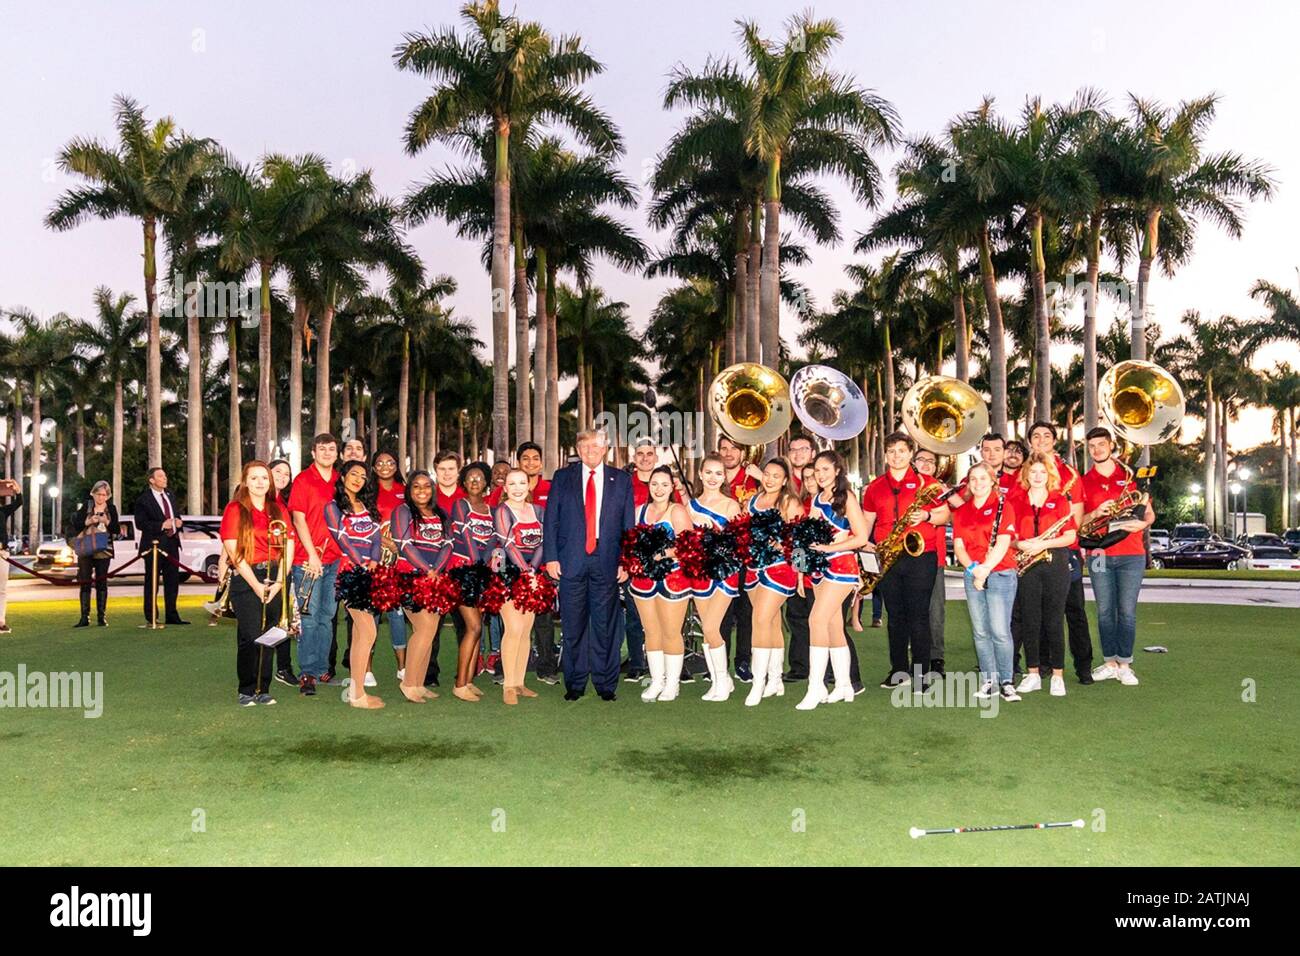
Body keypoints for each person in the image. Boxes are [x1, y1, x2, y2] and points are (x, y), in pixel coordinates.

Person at [542, 429, 635, 701]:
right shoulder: (562, 478)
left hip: (607, 562)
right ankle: (575, 682)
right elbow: (552, 521)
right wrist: (550, 557)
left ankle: (606, 684)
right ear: (578, 450)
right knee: (573, 625)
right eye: (583, 448)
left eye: (594, 447)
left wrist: (625, 561)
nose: (589, 452)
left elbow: (628, 525)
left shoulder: (622, 480)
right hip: (570, 561)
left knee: (605, 625)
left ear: (605, 449)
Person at [860, 432, 951, 690]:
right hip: (888, 557)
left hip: (921, 556)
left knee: (919, 616)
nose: (896, 456)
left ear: (911, 453)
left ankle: (921, 674)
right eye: (891, 451)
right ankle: (898, 671)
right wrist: (865, 545)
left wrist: (926, 515)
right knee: (896, 617)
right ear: (885, 455)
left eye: (901, 450)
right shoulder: (875, 487)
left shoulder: (929, 484)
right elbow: (867, 521)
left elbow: (945, 515)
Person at [799, 450, 873, 710]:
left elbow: (862, 537)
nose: (820, 475)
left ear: (837, 471)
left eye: (825, 470)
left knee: (816, 620)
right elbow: (809, 535)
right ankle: (844, 685)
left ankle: (816, 686)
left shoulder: (847, 497)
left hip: (841, 567)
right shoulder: (818, 498)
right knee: (832, 625)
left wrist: (829, 549)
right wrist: (803, 563)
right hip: (820, 568)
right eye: (817, 470)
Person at [1081, 427, 1153, 686]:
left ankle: (1125, 664)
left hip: (1131, 554)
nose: (1097, 449)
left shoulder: (1130, 477)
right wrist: (1097, 513)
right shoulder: (1084, 481)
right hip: (1099, 553)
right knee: (1104, 611)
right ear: (1088, 449)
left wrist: (1140, 525)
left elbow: (1148, 514)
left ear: (1111, 445)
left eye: (1102, 444)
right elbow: (1079, 521)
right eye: (1092, 446)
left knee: (1127, 611)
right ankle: (1109, 662)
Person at [1027, 421, 1093, 683]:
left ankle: (1083, 666)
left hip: (1066, 550)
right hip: (1032, 552)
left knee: (1074, 610)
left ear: (1054, 440)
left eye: (1047, 436)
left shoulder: (1070, 475)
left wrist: (1053, 539)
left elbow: (1076, 518)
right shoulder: (1025, 471)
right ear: (1030, 441)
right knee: (1039, 612)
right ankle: (1043, 665)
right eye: (1036, 436)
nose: (1041, 440)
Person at [1011, 453, 1078, 698]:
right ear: (1026, 474)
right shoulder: (1016, 500)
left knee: (1053, 620)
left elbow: (1071, 537)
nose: (1037, 476)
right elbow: (1010, 536)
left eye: (1042, 472)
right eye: (1033, 472)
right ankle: (1033, 673)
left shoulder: (1060, 500)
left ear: (1049, 475)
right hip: (1027, 564)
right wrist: (1020, 546)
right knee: (1030, 620)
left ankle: (1058, 675)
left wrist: (1043, 544)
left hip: (1055, 563)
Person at [220, 461, 286, 706]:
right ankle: (246, 688)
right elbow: (233, 551)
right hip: (247, 579)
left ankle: (263, 687)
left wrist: (280, 582)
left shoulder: (277, 509)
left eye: (264, 478)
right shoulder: (235, 509)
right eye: (254, 478)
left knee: (269, 635)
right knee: (250, 635)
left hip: (274, 576)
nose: (260, 483)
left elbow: (288, 544)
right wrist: (257, 586)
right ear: (245, 482)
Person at [952, 463, 1020, 702]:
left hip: (1000, 573)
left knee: (1000, 631)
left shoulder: (1004, 506)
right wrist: (973, 569)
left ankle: (1007, 681)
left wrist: (985, 570)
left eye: (983, 478)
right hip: (973, 575)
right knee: (980, 632)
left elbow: (1003, 543)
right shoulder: (961, 511)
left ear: (992, 480)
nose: (978, 483)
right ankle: (988, 680)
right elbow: (959, 547)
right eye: (973, 479)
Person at [629, 466, 694, 702]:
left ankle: (673, 683)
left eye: (664, 484)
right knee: (651, 631)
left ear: (672, 487)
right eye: (654, 484)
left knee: (670, 631)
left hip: (673, 579)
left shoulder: (677, 511)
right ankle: (657, 680)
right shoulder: (639, 511)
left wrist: (664, 553)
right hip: (644, 579)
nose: (659, 489)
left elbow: (689, 547)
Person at [324, 460, 384, 709]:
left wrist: (374, 560)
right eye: (353, 474)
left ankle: (357, 692)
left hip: (370, 572)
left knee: (362, 633)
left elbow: (377, 538)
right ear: (343, 477)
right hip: (350, 572)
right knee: (368, 631)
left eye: (363, 475)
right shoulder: (333, 506)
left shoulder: (367, 506)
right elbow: (342, 539)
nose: (358, 479)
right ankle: (357, 695)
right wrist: (361, 562)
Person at [744, 459, 804, 706]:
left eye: (776, 476)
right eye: (767, 474)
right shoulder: (752, 501)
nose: (770, 479)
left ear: (785, 480)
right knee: (770, 622)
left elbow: (801, 537)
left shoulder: (789, 502)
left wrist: (799, 571)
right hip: (753, 567)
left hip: (779, 568)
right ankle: (776, 679)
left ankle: (758, 682)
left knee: (759, 619)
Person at [288, 434, 340, 696]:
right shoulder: (303, 480)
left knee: (327, 617)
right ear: (313, 453)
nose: (328, 453)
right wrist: (312, 555)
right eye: (322, 449)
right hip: (308, 561)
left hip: (335, 559)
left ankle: (321, 669)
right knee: (309, 618)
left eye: (332, 449)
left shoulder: (340, 480)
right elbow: (298, 519)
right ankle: (307, 672)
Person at [687, 454, 741, 702]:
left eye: (718, 473)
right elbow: (684, 541)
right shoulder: (690, 505)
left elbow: (738, 543)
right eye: (708, 472)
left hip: (723, 572)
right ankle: (721, 681)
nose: (713, 478)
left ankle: (722, 679)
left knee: (711, 627)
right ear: (699, 474)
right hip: (699, 572)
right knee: (707, 629)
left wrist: (714, 538)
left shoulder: (731, 505)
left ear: (725, 476)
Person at [392, 470, 450, 703]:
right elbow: (404, 545)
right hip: (411, 577)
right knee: (424, 628)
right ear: (409, 489)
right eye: (416, 486)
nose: (422, 490)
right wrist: (427, 569)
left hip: (435, 578)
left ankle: (419, 682)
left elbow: (447, 544)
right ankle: (409, 683)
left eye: (427, 486)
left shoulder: (441, 513)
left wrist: (436, 570)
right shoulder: (403, 511)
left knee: (430, 629)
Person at [493, 468, 547, 705]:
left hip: (532, 573)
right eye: (512, 484)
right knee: (513, 627)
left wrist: (533, 571)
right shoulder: (502, 511)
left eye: (521, 483)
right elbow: (508, 544)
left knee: (526, 630)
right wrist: (526, 572)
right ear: (505, 488)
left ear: (529, 485)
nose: (517, 488)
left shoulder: (538, 511)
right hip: (508, 572)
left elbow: (544, 543)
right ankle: (508, 685)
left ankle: (519, 682)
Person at [447, 462, 495, 700]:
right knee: (474, 626)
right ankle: (459, 683)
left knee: (478, 627)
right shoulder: (460, 505)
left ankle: (469, 680)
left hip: (480, 572)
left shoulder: (491, 509)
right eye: (470, 478)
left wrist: (485, 569)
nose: (475, 481)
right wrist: (478, 566)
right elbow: (466, 538)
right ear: (463, 483)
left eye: (479, 478)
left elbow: (492, 542)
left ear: (486, 482)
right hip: (462, 571)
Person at [365, 450, 409, 686]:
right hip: (374, 558)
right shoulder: (367, 491)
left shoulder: (405, 490)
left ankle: (402, 667)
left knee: (397, 613)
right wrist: (385, 542)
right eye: (379, 463)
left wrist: (399, 545)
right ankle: (367, 669)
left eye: (390, 462)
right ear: (373, 467)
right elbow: (362, 521)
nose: (385, 466)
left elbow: (412, 521)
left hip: (398, 561)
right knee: (372, 613)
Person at [717, 436, 759, 682]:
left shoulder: (755, 478)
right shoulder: (713, 478)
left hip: (749, 557)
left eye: (734, 448)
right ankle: (720, 666)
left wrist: (763, 477)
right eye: (724, 448)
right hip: (722, 558)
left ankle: (743, 662)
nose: (728, 452)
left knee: (747, 613)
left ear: (743, 452)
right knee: (721, 614)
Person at [428, 450, 467, 688]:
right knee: (431, 626)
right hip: (435, 570)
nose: (447, 473)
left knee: (466, 626)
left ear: (458, 471)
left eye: (451, 468)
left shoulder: (467, 497)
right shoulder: (426, 495)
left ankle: (464, 675)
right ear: (435, 470)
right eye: (442, 469)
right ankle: (429, 674)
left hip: (462, 571)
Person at [133, 467, 187, 626]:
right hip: (153, 546)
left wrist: (178, 522)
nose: (165, 478)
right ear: (152, 480)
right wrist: (161, 525)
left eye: (165, 475)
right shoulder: (143, 500)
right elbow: (140, 523)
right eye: (161, 476)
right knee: (152, 582)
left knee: (172, 581)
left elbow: (174, 515)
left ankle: (172, 615)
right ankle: (151, 616)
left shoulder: (170, 495)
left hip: (172, 544)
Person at [913, 448, 949, 677]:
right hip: (906, 557)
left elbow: (956, 514)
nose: (926, 464)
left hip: (934, 556)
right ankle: (913, 658)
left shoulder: (941, 490)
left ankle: (936, 658)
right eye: (921, 460)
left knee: (935, 611)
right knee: (909, 612)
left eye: (931, 461)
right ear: (913, 462)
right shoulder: (904, 485)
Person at [69, 480, 118, 628]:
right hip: (86, 547)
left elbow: (116, 528)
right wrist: (89, 521)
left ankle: (101, 617)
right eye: (98, 494)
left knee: (101, 582)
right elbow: (76, 525)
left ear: (107, 496)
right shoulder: (87, 506)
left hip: (104, 548)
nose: (101, 497)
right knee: (85, 581)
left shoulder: (111, 508)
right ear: (93, 493)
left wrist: (106, 521)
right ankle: (85, 617)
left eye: (104, 495)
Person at [267, 459, 298, 685]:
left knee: (281, 619)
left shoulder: (283, 502)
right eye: (277, 471)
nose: (282, 476)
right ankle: (268, 668)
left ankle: (283, 667)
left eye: (286, 473)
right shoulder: (260, 499)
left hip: (282, 566)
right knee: (270, 619)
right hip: (264, 567)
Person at [0, 478, 22, 633]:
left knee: (2, 589)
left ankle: (1, 621)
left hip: (2, 553)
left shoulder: (2, 511)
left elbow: (18, 503)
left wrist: (17, 490)